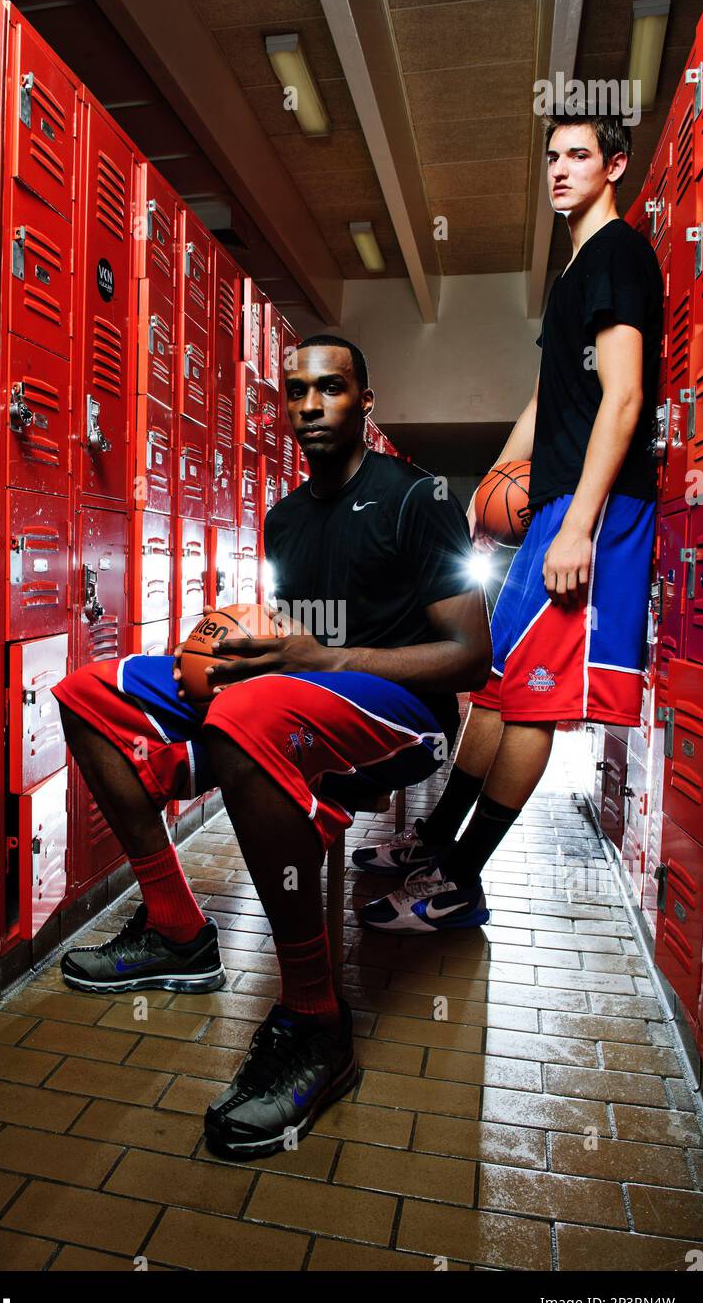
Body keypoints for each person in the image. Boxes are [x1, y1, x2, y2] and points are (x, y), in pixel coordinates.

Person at [50, 334, 491, 1159]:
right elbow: (292, 636)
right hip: (303, 690)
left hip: (407, 717)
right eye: (295, 393)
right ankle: (179, 931)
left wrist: (323, 661)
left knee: (250, 720)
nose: (309, 406)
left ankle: (318, 1024)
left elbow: (471, 655)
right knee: (89, 691)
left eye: (330, 389)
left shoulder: (414, 497)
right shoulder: (283, 518)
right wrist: (225, 652)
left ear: (366, 402)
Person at [354, 114, 663, 935]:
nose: (560, 170)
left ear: (615, 166)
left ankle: (459, 880)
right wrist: (485, 491)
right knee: (492, 687)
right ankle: (434, 843)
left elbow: (623, 396)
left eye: (579, 156)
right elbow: (545, 400)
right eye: (553, 158)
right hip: (555, 505)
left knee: (532, 702)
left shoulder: (619, 256)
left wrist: (577, 527)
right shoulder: (571, 276)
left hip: (595, 510)